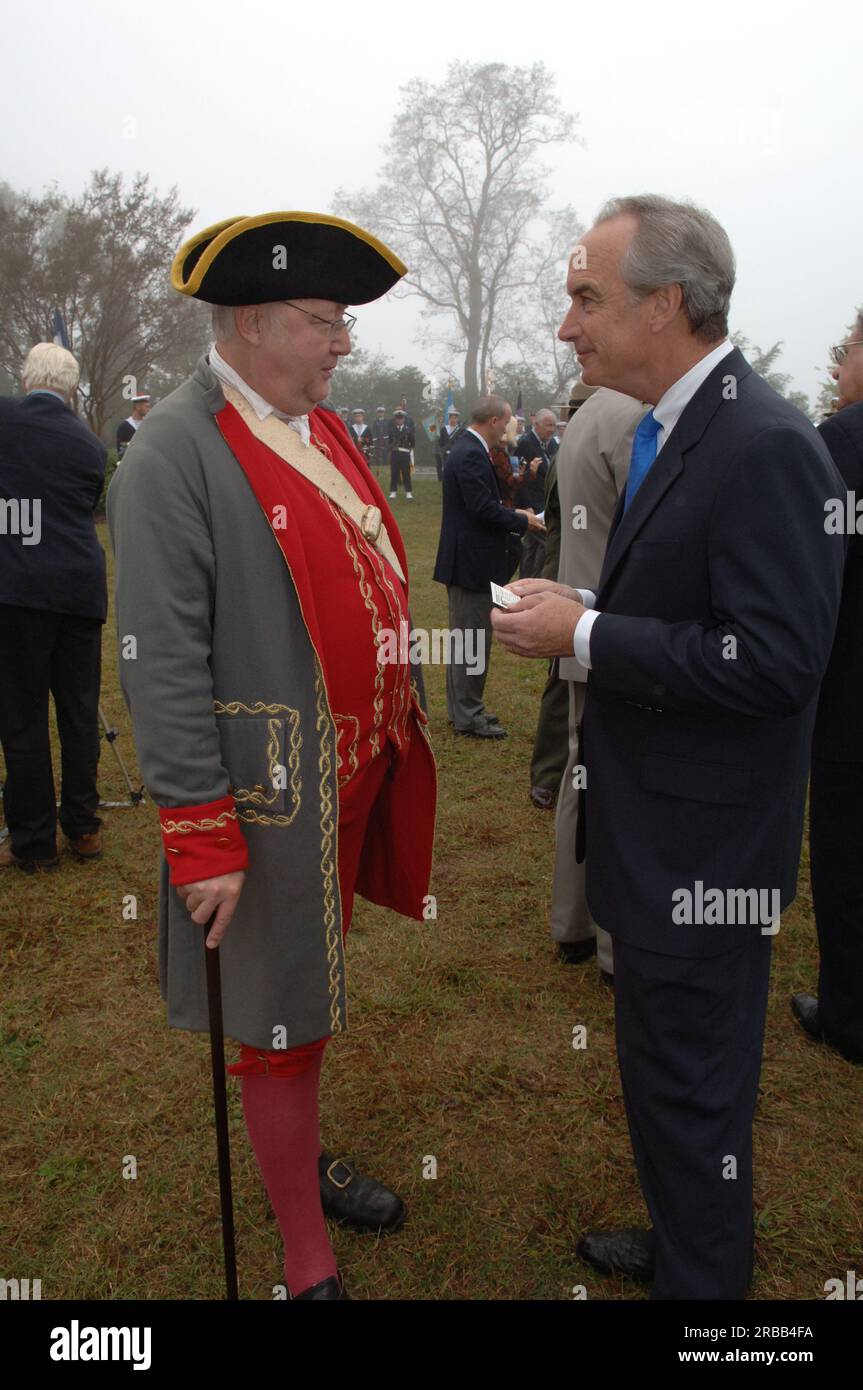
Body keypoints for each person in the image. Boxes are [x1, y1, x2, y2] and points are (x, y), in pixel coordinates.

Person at [493, 194, 844, 1299]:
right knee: (663, 1082)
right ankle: (688, 1238)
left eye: (584, 297)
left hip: (706, 862)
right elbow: (691, 607)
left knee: (692, 1087)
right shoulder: (673, 424)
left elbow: (777, 663)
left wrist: (585, 632)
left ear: (666, 305)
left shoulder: (766, 444)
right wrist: (585, 605)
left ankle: (705, 1286)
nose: (566, 326)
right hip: (654, 846)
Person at [107, 210, 437, 1301]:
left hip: (347, 780)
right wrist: (201, 835)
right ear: (250, 322)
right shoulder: (173, 449)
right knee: (278, 1017)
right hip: (263, 798)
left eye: (342, 322)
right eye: (324, 321)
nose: (343, 342)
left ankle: (296, 1160)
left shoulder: (318, 422)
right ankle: (304, 1258)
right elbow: (157, 659)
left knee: (309, 992)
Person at [531, 388, 643, 982]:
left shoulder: (587, 418)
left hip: (582, 621)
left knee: (582, 772)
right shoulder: (631, 417)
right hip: (613, 627)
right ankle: (612, 945)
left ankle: (573, 922)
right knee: (615, 782)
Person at [0, 343, 107, 871]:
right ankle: (84, 827)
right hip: (79, 590)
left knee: (22, 720)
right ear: (70, 386)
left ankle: (33, 842)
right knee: (79, 712)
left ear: (26, 378)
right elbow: (85, 506)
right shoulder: (89, 443)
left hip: (17, 591)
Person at [793, 310, 863, 1063]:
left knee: (846, 863)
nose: (840, 368)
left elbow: (812, 571)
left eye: (846, 350)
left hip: (849, 697)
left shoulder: (844, 441)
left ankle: (849, 1014)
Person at [433, 396, 544, 740]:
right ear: (494, 421)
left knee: (464, 640)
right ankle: (470, 715)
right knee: (473, 640)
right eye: (508, 422)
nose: (510, 429)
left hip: (469, 562)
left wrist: (517, 516)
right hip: (472, 564)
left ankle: (463, 709)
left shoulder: (468, 448)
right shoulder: (470, 453)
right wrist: (523, 520)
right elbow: (482, 509)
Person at [528, 385, 602, 812]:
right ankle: (549, 775)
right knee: (563, 675)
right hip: (568, 571)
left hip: (570, 568)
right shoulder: (575, 452)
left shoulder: (571, 448)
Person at [515, 407, 556, 577]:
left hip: (544, 502)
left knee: (531, 546)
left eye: (554, 425)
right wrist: (526, 505)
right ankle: (540, 580)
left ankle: (527, 581)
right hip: (533, 505)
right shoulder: (526, 443)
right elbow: (521, 477)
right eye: (548, 425)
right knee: (548, 542)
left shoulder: (551, 443)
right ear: (536, 424)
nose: (552, 429)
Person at [388, 408, 415, 500]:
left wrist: (407, 449)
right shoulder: (391, 430)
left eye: (401, 418)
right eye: (398, 418)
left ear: (404, 419)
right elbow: (389, 442)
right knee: (394, 473)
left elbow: (413, 443)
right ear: (395, 419)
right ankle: (393, 492)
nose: (399, 420)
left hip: (405, 454)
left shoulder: (408, 430)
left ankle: (408, 492)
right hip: (395, 454)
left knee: (406, 473)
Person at [115, 393, 151, 459]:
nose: (149, 409)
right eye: (146, 407)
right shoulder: (124, 426)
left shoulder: (148, 424)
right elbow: (120, 450)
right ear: (137, 407)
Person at [436, 407, 461, 482]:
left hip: (458, 454)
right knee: (448, 471)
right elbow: (441, 442)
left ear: (457, 419)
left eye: (455, 418)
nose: (453, 420)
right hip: (447, 455)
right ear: (449, 419)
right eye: (451, 418)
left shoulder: (461, 430)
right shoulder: (444, 429)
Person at [371, 404, 390, 477]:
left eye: (382, 412)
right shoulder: (375, 422)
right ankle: (378, 472)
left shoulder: (387, 421)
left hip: (385, 440)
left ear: (384, 413)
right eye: (379, 412)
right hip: (378, 441)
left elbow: (389, 431)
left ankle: (385, 470)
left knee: (385, 455)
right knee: (377, 456)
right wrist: (375, 439)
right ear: (377, 413)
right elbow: (374, 431)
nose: (380, 413)